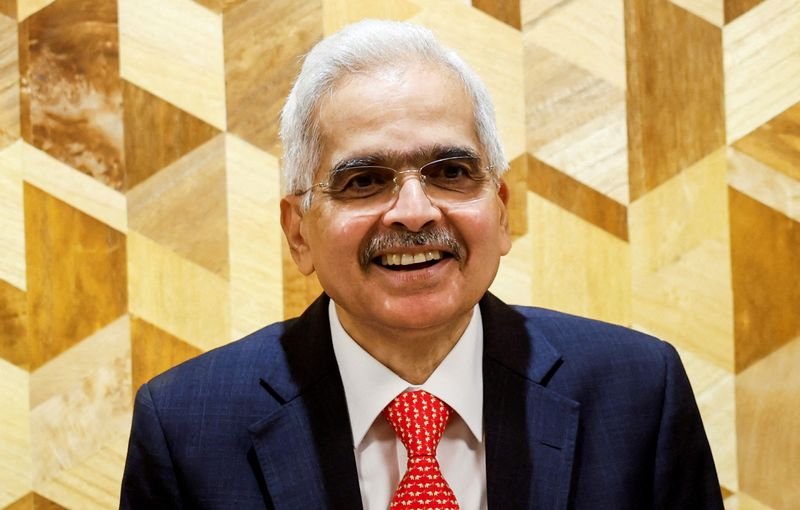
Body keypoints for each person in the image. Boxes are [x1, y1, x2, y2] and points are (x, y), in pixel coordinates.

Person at [120, 19, 723, 509]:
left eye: (451, 172)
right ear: (298, 233)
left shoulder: (639, 391)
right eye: (363, 180)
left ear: (502, 211)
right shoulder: (184, 430)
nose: (413, 211)